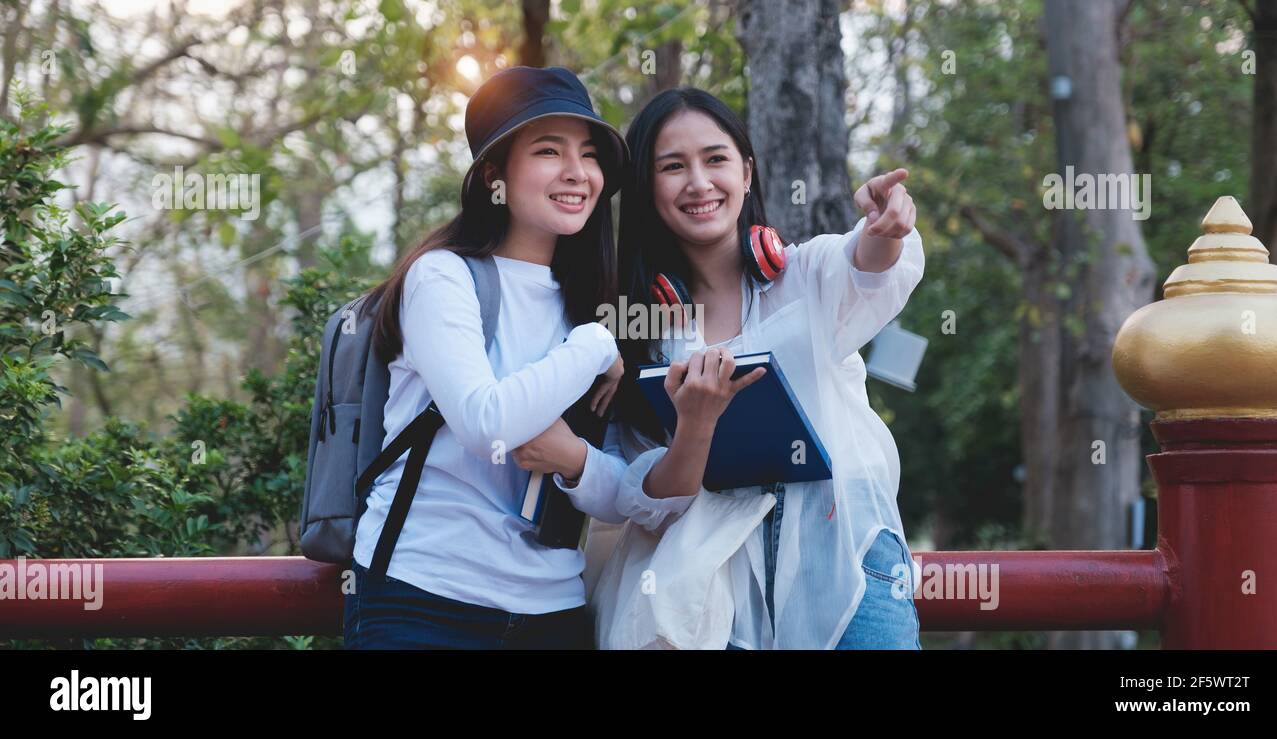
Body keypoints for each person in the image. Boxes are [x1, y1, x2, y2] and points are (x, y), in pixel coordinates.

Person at [595, 88, 925, 649]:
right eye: (673, 166)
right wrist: (695, 425)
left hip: (848, 559)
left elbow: (868, 267)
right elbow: (646, 498)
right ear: (648, 190)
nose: (698, 182)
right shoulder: (639, 338)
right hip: (722, 593)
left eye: (716, 159)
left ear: (747, 172)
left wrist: (884, 229)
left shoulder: (806, 275)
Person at [343, 66, 633, 649]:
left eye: (589, 154)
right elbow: (486, 423)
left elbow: (623, 496)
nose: (577, 172)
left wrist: (574, 460)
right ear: (495, 176)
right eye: (549, 151)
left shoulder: (588, 300)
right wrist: (597, 344)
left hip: (552, 612)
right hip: (422, 601)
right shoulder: (443, 277)